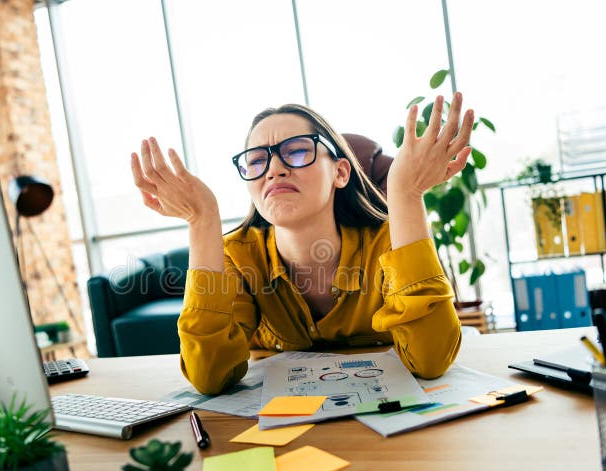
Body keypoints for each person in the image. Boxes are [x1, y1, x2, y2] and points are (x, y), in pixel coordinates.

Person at [130, 94, 473, 395]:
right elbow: (210, 376)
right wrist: (202, 220)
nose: (274, 169)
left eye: (296, 152)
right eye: (257, 161)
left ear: (340, 172)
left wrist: (407, 195)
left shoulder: (389, 243)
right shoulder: (237, 256)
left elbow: (431, 359)